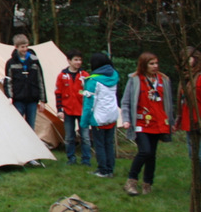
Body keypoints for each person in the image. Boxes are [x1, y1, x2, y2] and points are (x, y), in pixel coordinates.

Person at [121, 52, 173, 196]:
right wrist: (126, 119)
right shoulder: (135, 79)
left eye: (156, 63)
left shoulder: (164, 79)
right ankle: (131, 181)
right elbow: (126, 101)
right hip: (140, 121)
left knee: (152, 155)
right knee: (145, 151)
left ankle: (147, 184)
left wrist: (171, 122)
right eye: (151, 64)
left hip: (158, 122)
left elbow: (168, 103)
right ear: (143, 65)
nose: (155, 66)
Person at [81, 52, 121, 178]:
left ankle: (103, 170)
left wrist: (84, 121)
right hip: (112, 115)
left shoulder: (93, 81)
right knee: (109, 143)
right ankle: (110, 168)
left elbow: (89, 103)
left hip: (99, 118)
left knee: (100, 144)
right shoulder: (114, 76)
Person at [55, 50, 91, 168]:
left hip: (82, 110)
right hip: (68, 110)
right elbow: (58, 93)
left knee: (85, 136)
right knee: (69, 137)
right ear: (69, 61)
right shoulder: (62, 75)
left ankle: (86, 159)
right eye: (75, 60)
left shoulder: (85, 75)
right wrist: (59, 109)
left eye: (80, 60)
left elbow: (89, 93)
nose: (78, 62)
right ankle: (71, 158)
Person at [4, 34, 47, 129]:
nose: (25, 49)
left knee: (31, 126)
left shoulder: (34, 61)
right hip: (18, 99)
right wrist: (9, 96)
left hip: (32, 99)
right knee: (18, 126)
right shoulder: (11, 63)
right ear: (16, 47)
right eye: (22, 47)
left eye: (26, 46)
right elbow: (8, 81)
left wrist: (43, 100)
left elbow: (40, 79)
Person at [175, 46, 200, 165]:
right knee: (193, 155)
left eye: (189, 58)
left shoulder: (199, 76)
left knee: (200, 156)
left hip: (199, 118)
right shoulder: (184, 79)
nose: (186, 61)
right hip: (188, 120)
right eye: (183, 59)